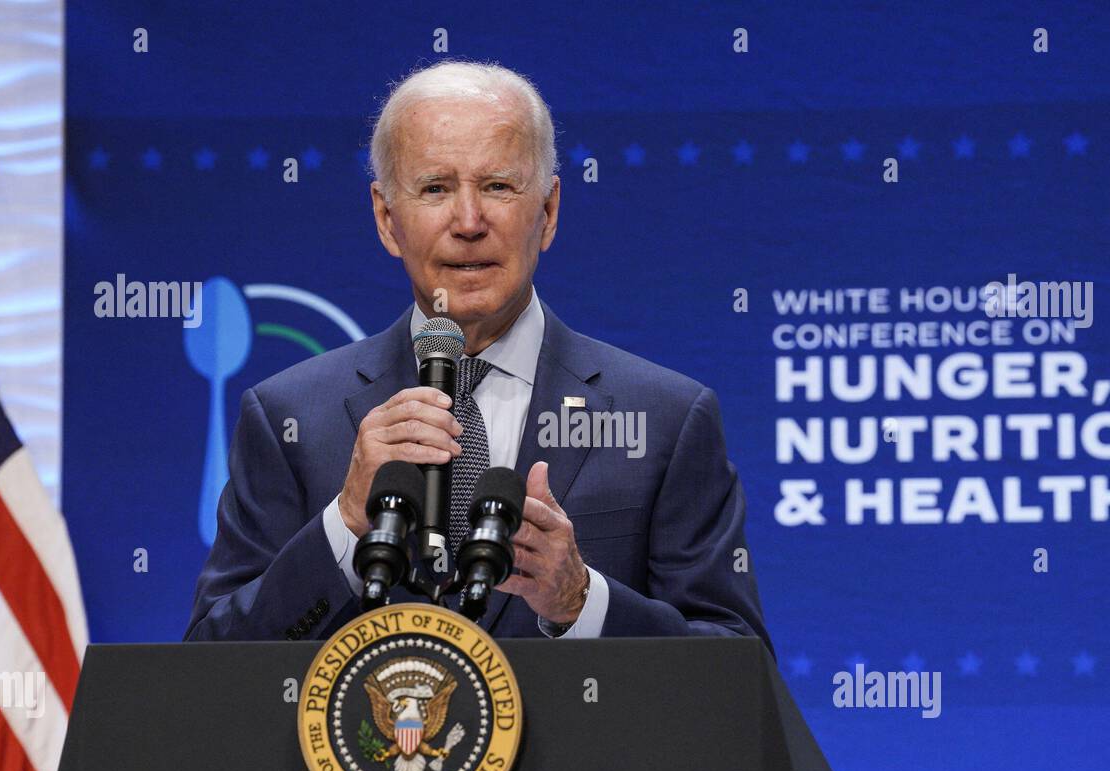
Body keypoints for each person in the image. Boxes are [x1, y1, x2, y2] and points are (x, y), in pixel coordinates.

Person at [183, 59, 769, 649]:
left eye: (497, 186)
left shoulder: (666, 418)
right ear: (387, 219)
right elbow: (210, 666)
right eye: (435, 188)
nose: (469, 221)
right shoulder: (290, 418)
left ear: (547, 212)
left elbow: (739, 669)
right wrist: (345, 522)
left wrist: (580, 601)